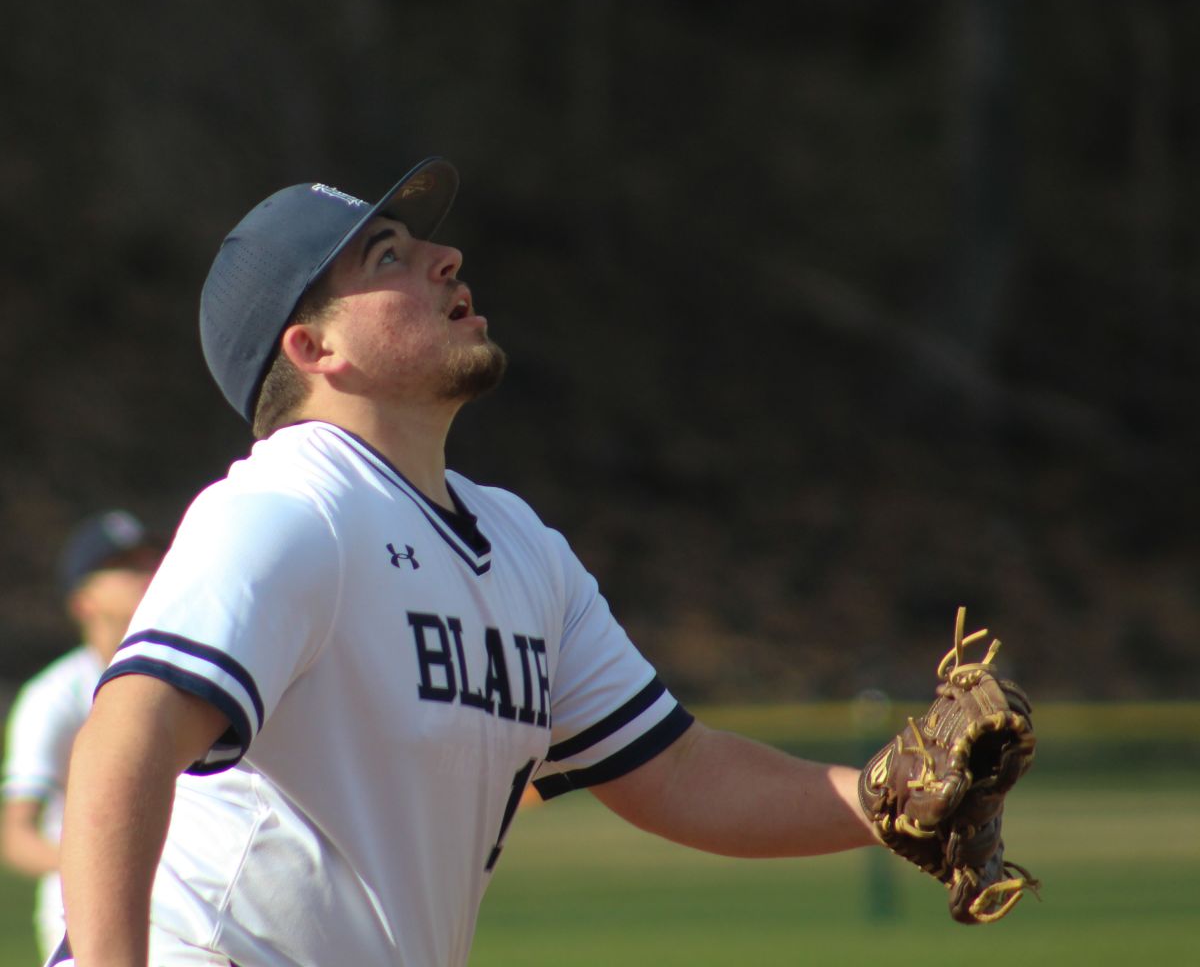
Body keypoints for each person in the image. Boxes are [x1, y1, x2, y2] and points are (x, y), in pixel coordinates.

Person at [56, 157, 877, 967]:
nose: (445, 258)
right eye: (388, 257)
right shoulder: (291, 507)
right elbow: (125, 739)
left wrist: (891, 799)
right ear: (314, 347)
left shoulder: (522, 546)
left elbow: (678, 771)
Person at [1, 511, 162, 961]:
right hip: (80, 918)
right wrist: (105, 860)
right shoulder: (54, 696)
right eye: (124, 567)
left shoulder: (177, 679)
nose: (146, 575)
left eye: (151, 561)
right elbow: (15, 836)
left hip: (179, 908)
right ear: (83, 601)